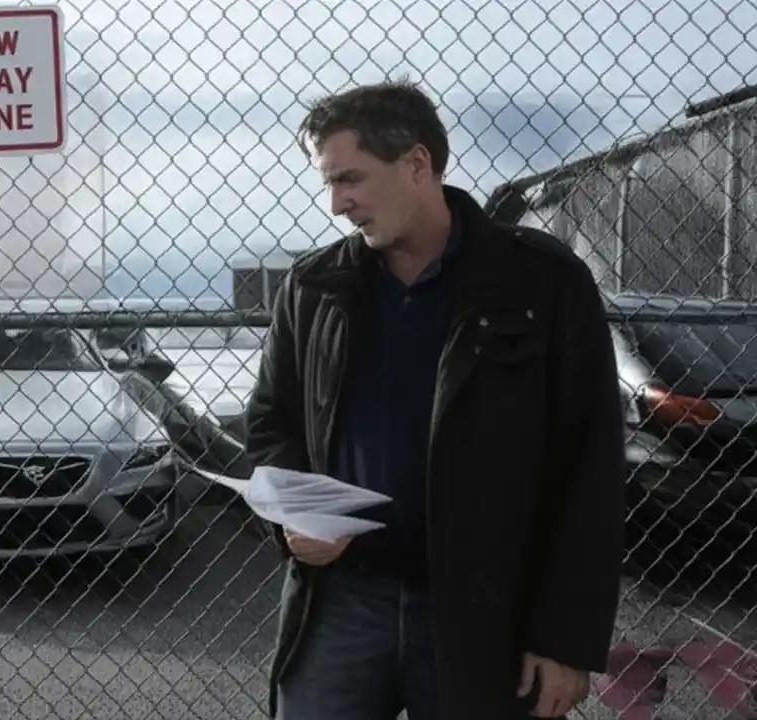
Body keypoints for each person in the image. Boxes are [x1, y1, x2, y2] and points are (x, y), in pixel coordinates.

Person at [244, 79, 626, 720]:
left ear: (417, 164)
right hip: (340, 599)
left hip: (482, 610)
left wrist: (563, 639)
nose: (337, 204)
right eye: (328, 183)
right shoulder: (314, 289)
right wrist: (294, 521)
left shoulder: (540, 282)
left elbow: (589, 471)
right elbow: (270, 424)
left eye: (350, 180)